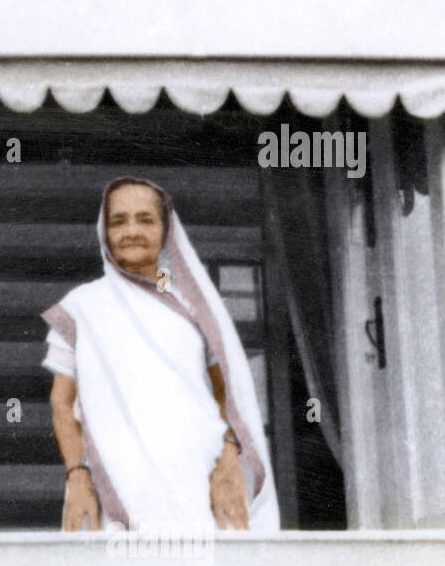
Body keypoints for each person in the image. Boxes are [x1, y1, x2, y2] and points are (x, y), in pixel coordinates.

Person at [42, 176, 279, 533]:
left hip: (196, 482)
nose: (132, 231)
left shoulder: (195, 304)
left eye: (145, 219)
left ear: (166, 229)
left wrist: (229, 458)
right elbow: (62, 402)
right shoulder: (81, 307)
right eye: (118, 221)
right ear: (104, 231)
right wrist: (77, 475)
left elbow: (223, 393)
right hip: (111, 486)